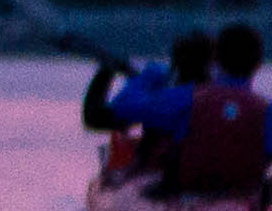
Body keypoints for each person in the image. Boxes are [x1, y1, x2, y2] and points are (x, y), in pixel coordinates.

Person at [162, 22, 272, 198]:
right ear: (258, 63)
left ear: (215, 59)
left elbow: (171, 141)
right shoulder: (269, 110)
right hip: (245, 194)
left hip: (192, 192)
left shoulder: (187, 99)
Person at [81, 29, 214, 174]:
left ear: (177, 64)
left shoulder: (168, 100)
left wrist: (107, 69)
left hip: (181, 172)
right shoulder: (227, 91)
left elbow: (94, 117)